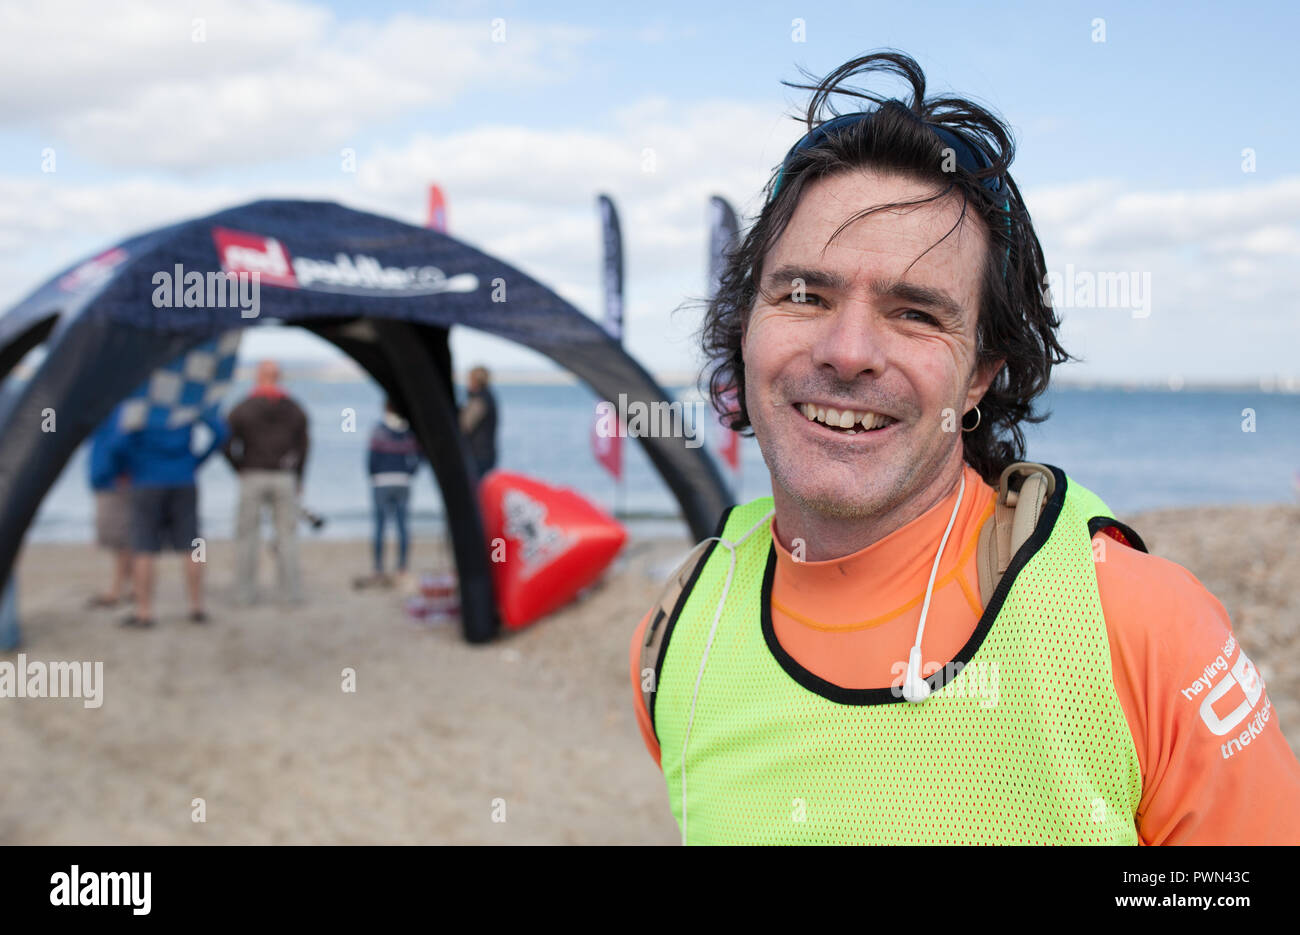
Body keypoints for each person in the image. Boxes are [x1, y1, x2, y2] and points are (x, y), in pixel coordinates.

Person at [629, 51, 1300, 845]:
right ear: (746, 327)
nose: (848, 352)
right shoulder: (680, 632)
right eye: (805, 294)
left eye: (915, 312)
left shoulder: (1138, 620)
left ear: (982, 372)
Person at [110, 408, 227, 627]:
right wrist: (196, 461)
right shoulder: (188, 397)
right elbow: (220, 431)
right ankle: (197, 606)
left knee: (143, 547)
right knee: (194, 543)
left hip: (146, 479)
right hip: (183, 478)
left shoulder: (143, 400)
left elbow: (118, 443)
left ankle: (144, 612)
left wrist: (126, 469)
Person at [223, 360, 309, 606]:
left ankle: (244, 594)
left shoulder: (243, 407)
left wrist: (238, 467)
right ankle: (290, 594)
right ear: (278, 376)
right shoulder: (294, 408)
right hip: (284, 476)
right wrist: (299, 476)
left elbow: (224, 440)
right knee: (287, 537)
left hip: (252, 473)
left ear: (258, 377)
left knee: (247, 537)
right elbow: (303, 446)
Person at [361, 398, 422, 587]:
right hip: (403, 481)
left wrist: (374, 476)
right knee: (402, 526)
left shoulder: (379, 430)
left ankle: (378, 568)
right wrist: (410, 472)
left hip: (382, 482)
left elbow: (371, 458)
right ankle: (402, 567)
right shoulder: (409, 432)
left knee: (380, 526)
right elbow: (420, 455)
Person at [86, 409, 133, 609]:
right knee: (121, 537)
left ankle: (118, 589)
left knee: (121, 538)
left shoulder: (118, 409)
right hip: (108, 481)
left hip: (113, 483)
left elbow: (120, 442)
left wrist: (118, 472)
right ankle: (129, 586)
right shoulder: (107, 409)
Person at [459, 365, 497, 479]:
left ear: (474, 381)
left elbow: (464, 425)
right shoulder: (486, 397)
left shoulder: (480, 400)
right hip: (484, 454)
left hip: (478, 455)